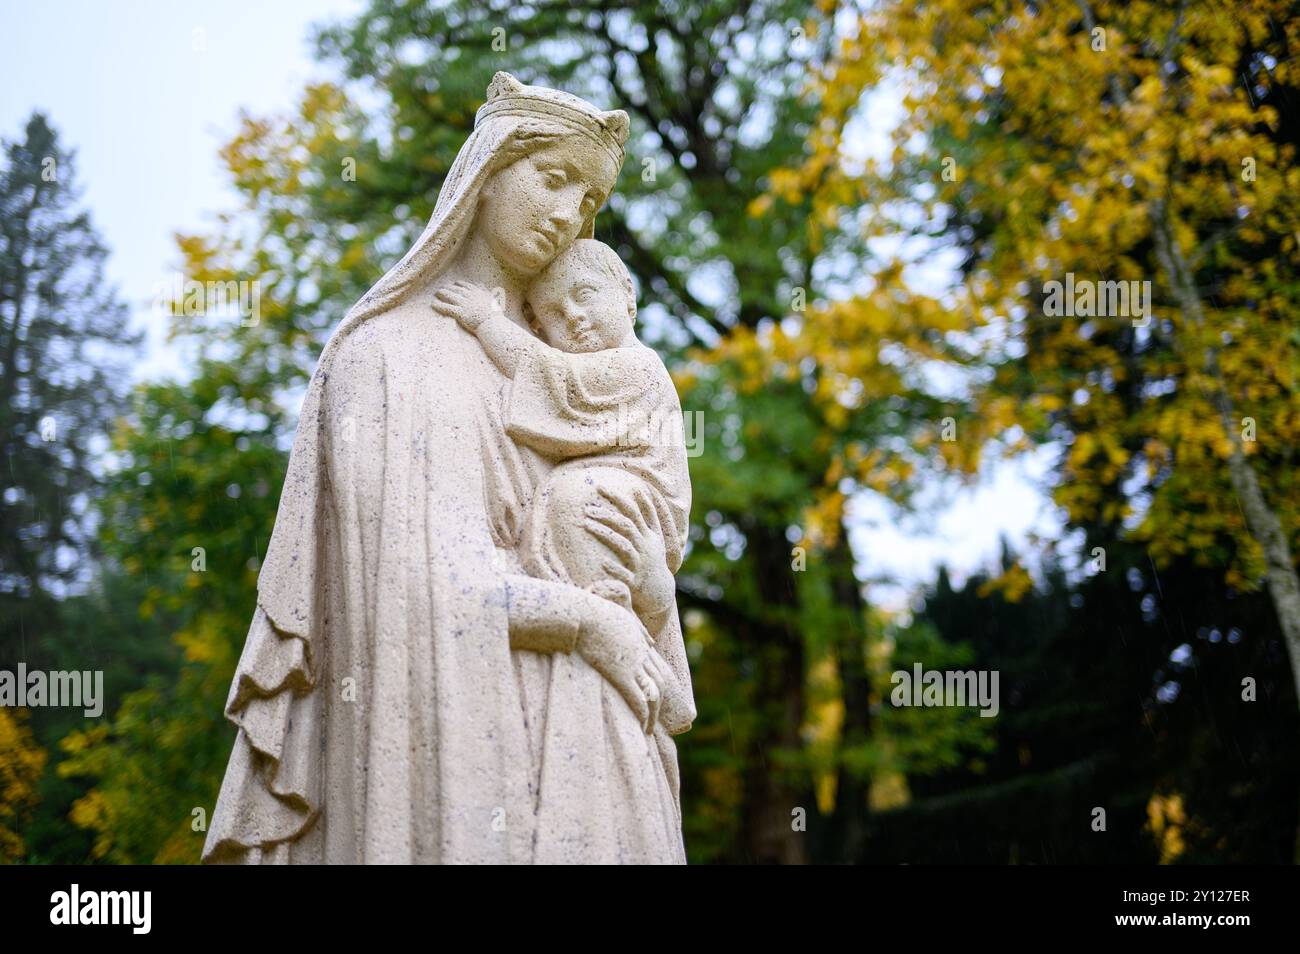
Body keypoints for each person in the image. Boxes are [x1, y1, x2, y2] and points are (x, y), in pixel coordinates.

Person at [202, 73, 693, 864]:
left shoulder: (580, 369)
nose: (571, 215)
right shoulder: (389, 360)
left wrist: (655, 597)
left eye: (589, 198)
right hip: (477, 765)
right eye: (554, 177)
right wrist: (589, 621)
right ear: (489, 169)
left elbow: (639, 552)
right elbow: (426, 584)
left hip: (611, 744)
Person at [432, 239, 696, 735]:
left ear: (628, 296)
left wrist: (487, 322)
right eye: (551, 312)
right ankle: (637, 656)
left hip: (635, 504)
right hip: (611, 500)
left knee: (580, 501)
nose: (572, 316)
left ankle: (640, 664)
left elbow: (556, 378)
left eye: (585, 294)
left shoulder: (639, 368)